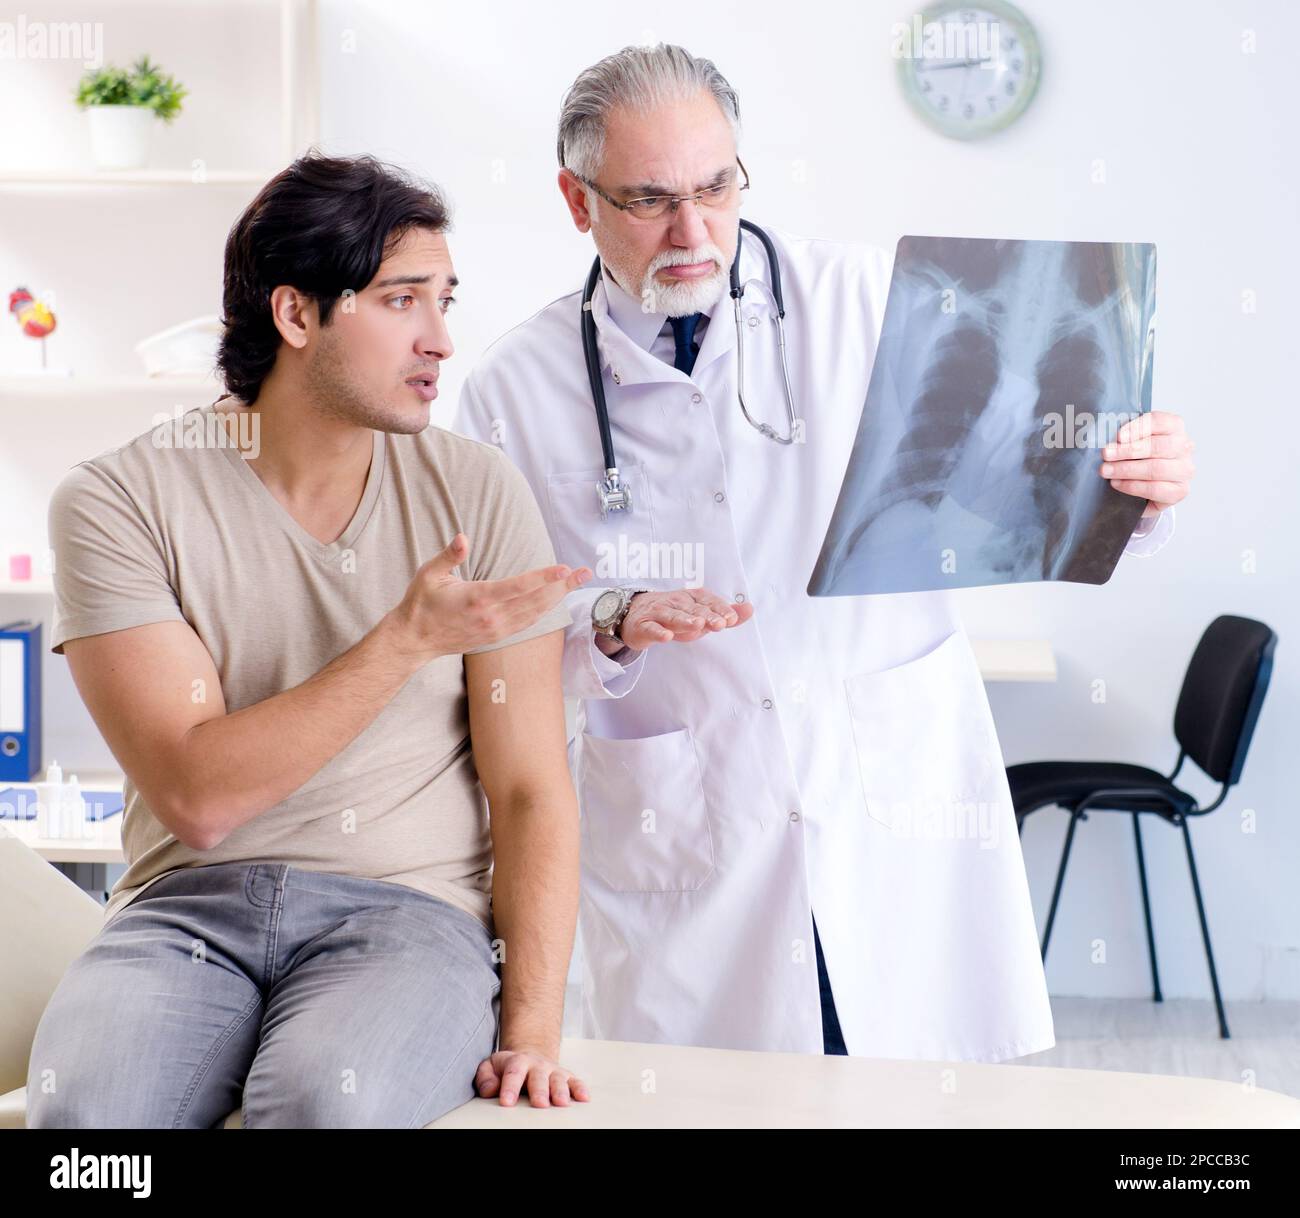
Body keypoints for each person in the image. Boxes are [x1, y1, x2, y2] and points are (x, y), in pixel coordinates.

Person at [454, 44, 1196, 1060]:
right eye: (648, 199)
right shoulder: (513, 389)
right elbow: (506, 645)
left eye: (716, 185)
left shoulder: (877, 301)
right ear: (575, 201)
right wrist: (615, 625)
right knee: (727, 1106)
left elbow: (1031, 478)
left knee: (916, 1086)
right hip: (690, 822)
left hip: (889, 792)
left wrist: (1134, 478)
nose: (693, 229)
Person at [28, 153, 593, 1127]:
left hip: (407, 921)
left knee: (326, 1105)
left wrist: (531, 1031)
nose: (441, 340)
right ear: (296, 316)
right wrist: (402, 641)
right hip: (183, 916)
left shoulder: (477, 492)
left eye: (444, 301)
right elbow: (200, 799)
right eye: (402, 301)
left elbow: (531, 789)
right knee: (88, 1123)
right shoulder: (118, 500)